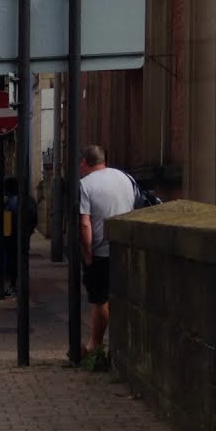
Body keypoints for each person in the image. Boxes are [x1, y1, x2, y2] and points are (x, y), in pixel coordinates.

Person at [78, 144, 136, 360]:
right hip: (126, 247)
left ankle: (96, 344)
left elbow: (85, 224)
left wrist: (88, 254)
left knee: (100, 299)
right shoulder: (126, 178)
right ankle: (124, 343)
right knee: (123, 296)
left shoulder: (85, 185)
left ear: (85, 162)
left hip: (101, 251)